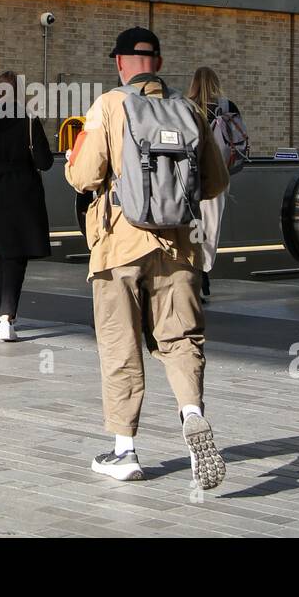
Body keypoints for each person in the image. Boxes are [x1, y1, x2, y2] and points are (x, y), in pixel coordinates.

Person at [65, 27, 229, 488]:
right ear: (157, 62)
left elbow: (83, 175)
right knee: (181, 339)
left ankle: (125, 451)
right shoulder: (190, 109)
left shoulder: (109, 105)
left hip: (120, 247)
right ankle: (191, 413)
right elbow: (214, 183)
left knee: (121, 345)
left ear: (119, 63)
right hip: (178, 248)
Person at [0, 71, 53, 342]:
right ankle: (7, 316)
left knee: (0, 257)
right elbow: (45, 162)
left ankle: (4, 315)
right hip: (23, 197)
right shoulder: (28, 121)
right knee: (17, 257)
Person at [187, 66, 247, 300]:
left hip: (189, 177)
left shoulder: (186, 106)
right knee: (211, 227)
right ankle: (204, 271)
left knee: (191, 226)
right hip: (219, 176)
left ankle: (192, 272)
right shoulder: (227, 107)